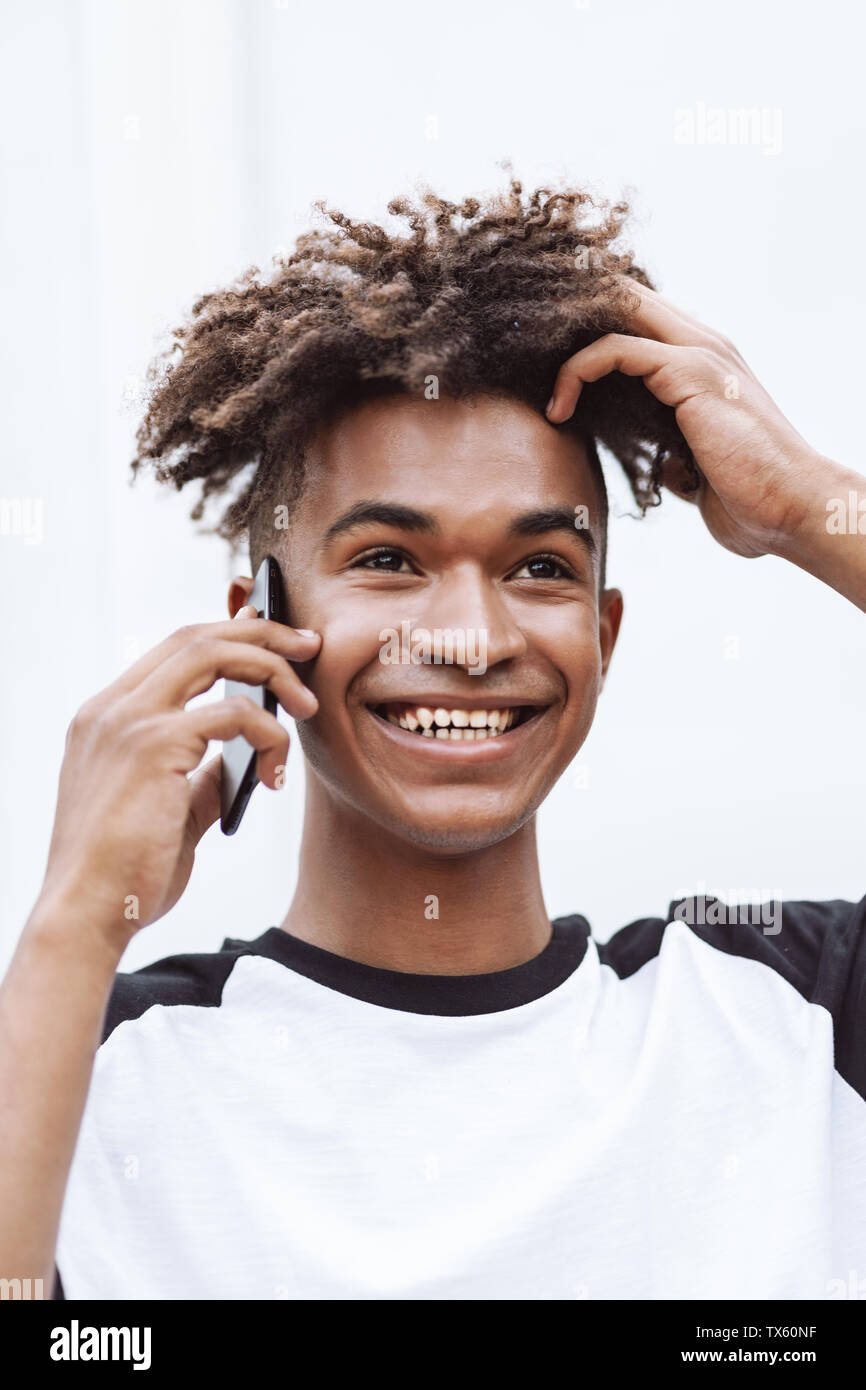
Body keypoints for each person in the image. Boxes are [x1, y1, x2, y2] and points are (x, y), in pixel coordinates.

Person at [1, 175, 864, 1301]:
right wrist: (73, 925)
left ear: (602, 634)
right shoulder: (86, 1070)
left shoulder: (795, 1023)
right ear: (261, 624)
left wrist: (812, 505)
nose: (468, 636)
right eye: (387, 559)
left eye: (539, 566)